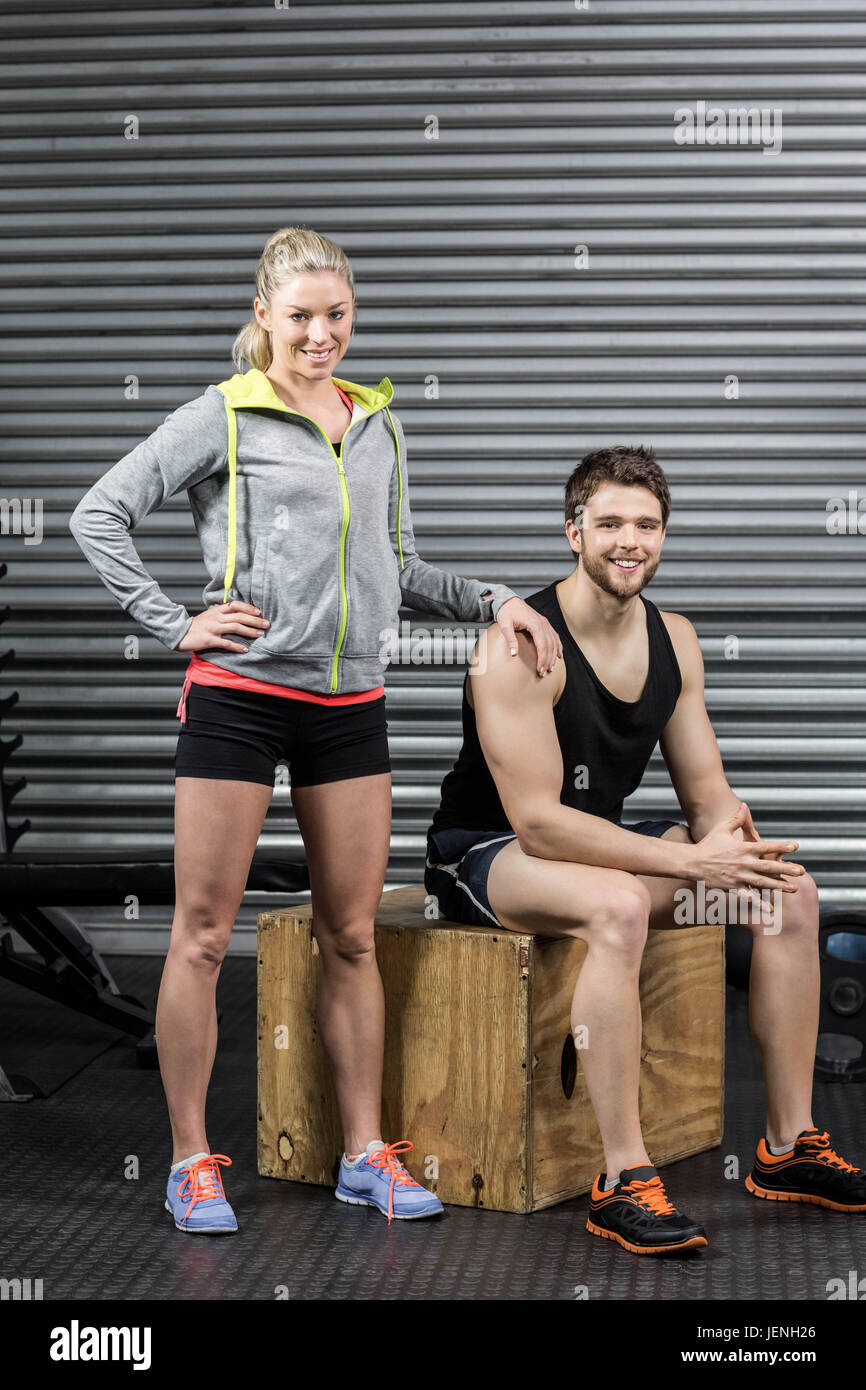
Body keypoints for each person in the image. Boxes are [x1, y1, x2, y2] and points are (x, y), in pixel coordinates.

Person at [69, 225, 562, 1233]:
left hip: (349, 709)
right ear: (263, 317)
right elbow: (97, 513)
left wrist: (496, 597)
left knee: (349, 936)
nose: (320, 332)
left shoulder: (375, 423)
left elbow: (399, 568)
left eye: (336, 314)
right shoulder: (225, 415)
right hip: (239, 698)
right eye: (300, 315)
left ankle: (360, 1155)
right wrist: (176, 621)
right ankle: (190, 1160)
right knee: (204, 937)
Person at [424, 444, 866, 1255]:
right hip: (489, 858)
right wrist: (691, 864)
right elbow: (540, 825)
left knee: (787, 895)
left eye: (648, 525)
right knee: (620, 904)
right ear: (573, 533)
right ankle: (623, 1178)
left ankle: (787, 1147)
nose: (630, 541)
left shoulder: (676, 640)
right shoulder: (519, 645)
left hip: (600, 852)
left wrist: (730, 837)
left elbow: (704, 796)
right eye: (610, 524)